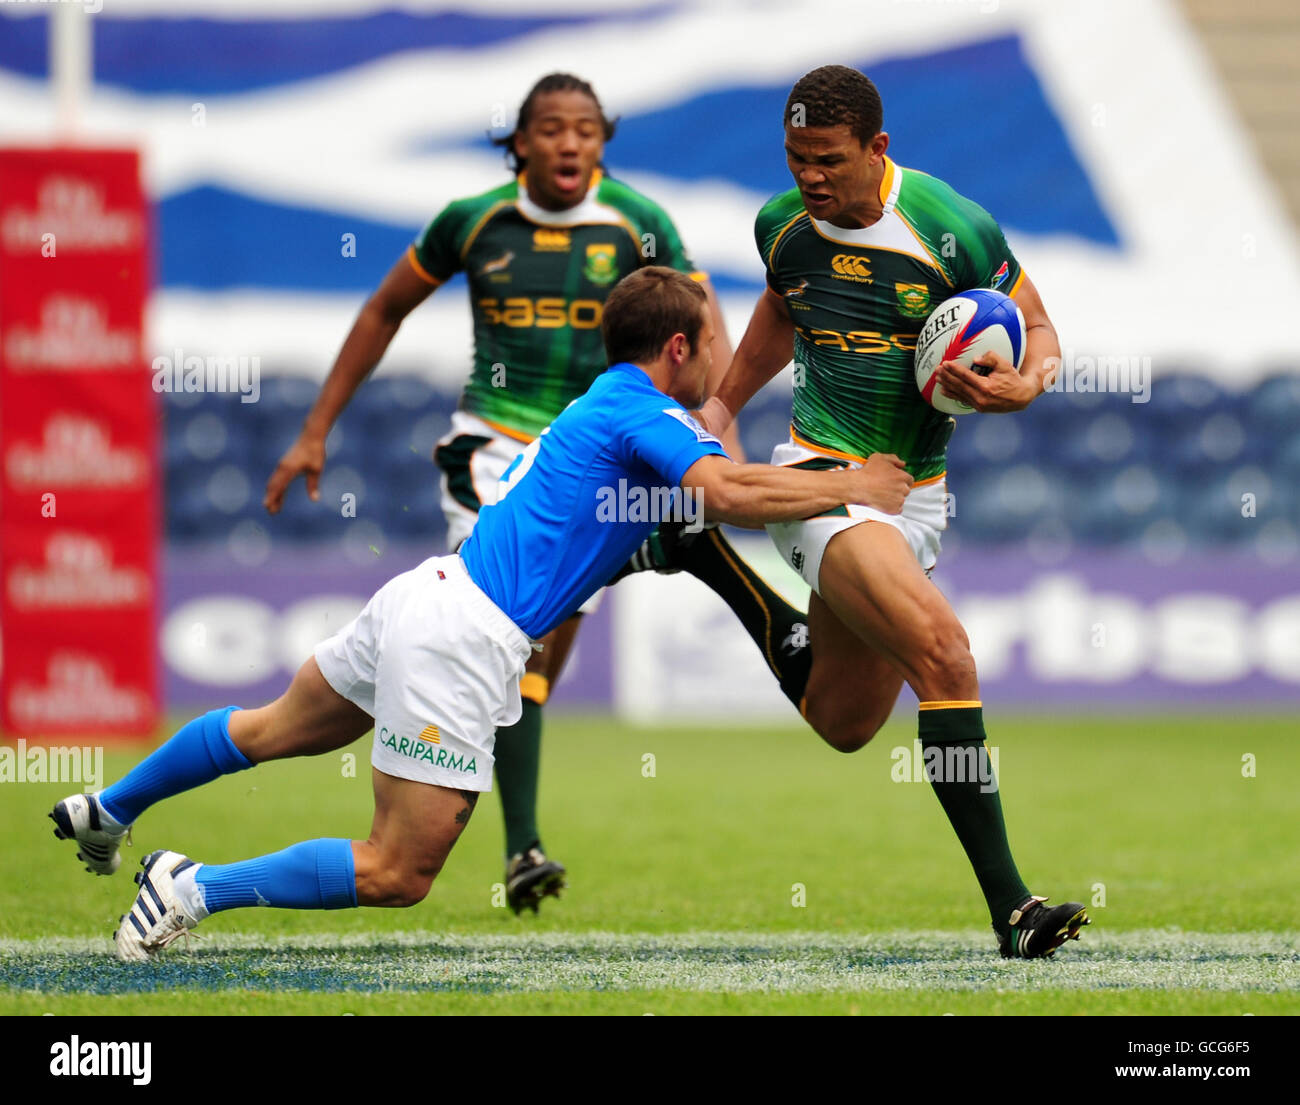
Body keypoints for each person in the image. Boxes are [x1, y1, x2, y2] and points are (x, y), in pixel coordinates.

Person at [49, 266, 914, 962]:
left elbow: (666, 518)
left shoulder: (597, 404)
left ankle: (113, 805)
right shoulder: (643, 412)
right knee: (398, 868)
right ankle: (193, 886)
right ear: (680, 347)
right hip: (461, 638)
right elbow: (724, 491)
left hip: (428, 596)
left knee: (274, 726)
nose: (722, 364)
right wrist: (853, 485)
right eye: (715, 346)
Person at [261, 73, 813, 913]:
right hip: (494, 440)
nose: (569, 144)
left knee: (542, 637)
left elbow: (699, 320)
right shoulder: (472, 220)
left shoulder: (639, 221)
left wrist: (719, 425)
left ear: (603, 142)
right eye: (551, 129)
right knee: (518, 626)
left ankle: (508, 831)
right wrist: (315, 427)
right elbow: (383, 311)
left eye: (587, 130)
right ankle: (516, 839)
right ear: (519, 141)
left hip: (594, 448)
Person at [696, 65, 1089, 959]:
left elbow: (1040, 327)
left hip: (918, 494)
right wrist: (720, 410)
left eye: (828, 159)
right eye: (796, 158)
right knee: (944, 654)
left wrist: (1020, 386)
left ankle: (716, 563)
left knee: (845, 721)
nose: (810, 177)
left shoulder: (950, 225)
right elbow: (780, 309)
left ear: (879, 148)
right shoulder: (779, 225)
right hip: (823, 479)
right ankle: (1014, 909)